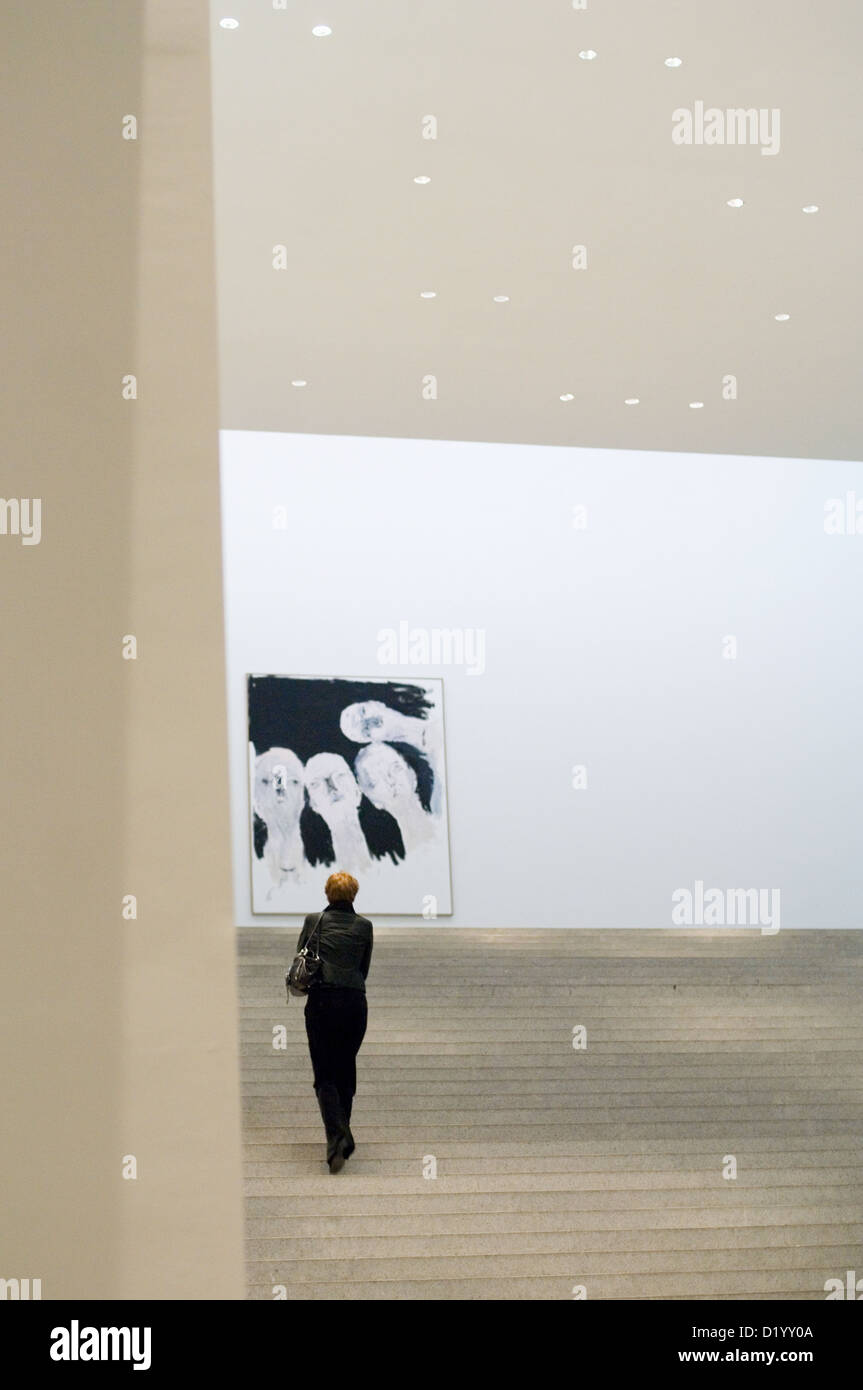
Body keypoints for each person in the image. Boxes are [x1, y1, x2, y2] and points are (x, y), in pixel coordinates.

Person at [297, 871, 373, 1173]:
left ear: (328, 894)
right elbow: (363, 969)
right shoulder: (365, 927)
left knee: (324, 1075)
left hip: (322, 1002)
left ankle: (338, 1138)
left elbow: (301, 959)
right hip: (354, 1003)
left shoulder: (313, 921)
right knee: (345, 1069)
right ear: (354, 894)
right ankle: (341, 1137)